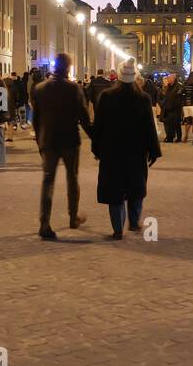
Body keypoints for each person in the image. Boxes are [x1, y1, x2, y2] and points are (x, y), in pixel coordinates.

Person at [92, 60, 161, 240]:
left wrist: (96, 148)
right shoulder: (143, 98)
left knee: (114, 190)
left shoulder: (106, 96)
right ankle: (134, 219)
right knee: (136, 187)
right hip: (135, 151)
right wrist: (154, 150)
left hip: (111, 151)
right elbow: (149, 128)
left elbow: (98, 125)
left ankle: (117, 229)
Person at [31, 53, 93, 239]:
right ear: (68, 67)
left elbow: (36, 120)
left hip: (48, 140)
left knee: (47, 181)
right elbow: (84, 118)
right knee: (72, 178)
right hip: (69, 140)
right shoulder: (74, 88)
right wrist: (97, 140)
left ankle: (44, 223)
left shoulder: (40, 88)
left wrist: (39, 142)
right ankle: (73, 217)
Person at [160, 73, 184, 143]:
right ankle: (170, 137)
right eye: (167, 78)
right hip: (167, 109)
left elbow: (179, 98)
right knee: (169, 123)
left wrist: (173, 105)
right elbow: (164, 96)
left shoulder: (179, 87)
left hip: (175, 109)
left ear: (173, 79)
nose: (167, 79)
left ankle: (178, 137)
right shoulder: (168, 87)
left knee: (176, 124)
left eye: (169, 78)